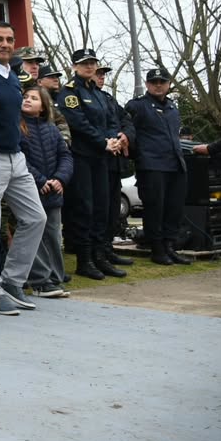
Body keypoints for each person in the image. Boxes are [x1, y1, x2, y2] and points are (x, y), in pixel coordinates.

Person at [0, 22, 48, 316]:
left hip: (16, 157)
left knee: (35, 217)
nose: (5, 44)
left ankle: (13, 281)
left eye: (10, 39)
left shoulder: (13, 76)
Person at [56, 48, 125, 281]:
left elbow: (112, 118)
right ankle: (84, 260)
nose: (89, 66)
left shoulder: (98, 93)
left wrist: (113, 139)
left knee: (102, 208)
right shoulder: (69, 92)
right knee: (85, 208)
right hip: (83, 156)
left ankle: (99, 256)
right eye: (84, 63)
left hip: (102, 157)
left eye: (92, 63)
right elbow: (78, 123)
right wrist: (103, 141)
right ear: (75, 66)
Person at [125, 68, 192, 265]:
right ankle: (157, 249)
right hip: (152, 165)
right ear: (147, 84)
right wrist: (139, 157)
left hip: (175, 164)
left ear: (169, 84)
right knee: (155, 209)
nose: (158, 85)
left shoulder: (172, 108)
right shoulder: (137, 106)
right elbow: (129, 132)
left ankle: (170, 246)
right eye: (154, 82)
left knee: (174, 209)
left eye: (162, 81)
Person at [19, 84, 73, 297]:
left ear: (43, 106)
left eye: (34, 98)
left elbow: (66, 156)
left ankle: (55, 278)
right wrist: (41, 180)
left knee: (53, 234)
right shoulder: (18, 127)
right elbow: (19, 158)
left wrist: (60, 178)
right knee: (35, 235)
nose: (28, 100)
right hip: (32, 188)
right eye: (26, 96)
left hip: (54, 190)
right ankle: (40, 280)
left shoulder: (52, 128)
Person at [95, 64, 136, 271]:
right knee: (99, 209)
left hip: (115, 161)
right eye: (98, 74)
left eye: (103, 75)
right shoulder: (82, 97)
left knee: (112, 209)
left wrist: (125, 136)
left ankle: (107, 248)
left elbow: (126, 120)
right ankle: (96, 253)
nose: (101, 78)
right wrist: (107, 140)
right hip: (97, 158)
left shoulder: (108, 99)